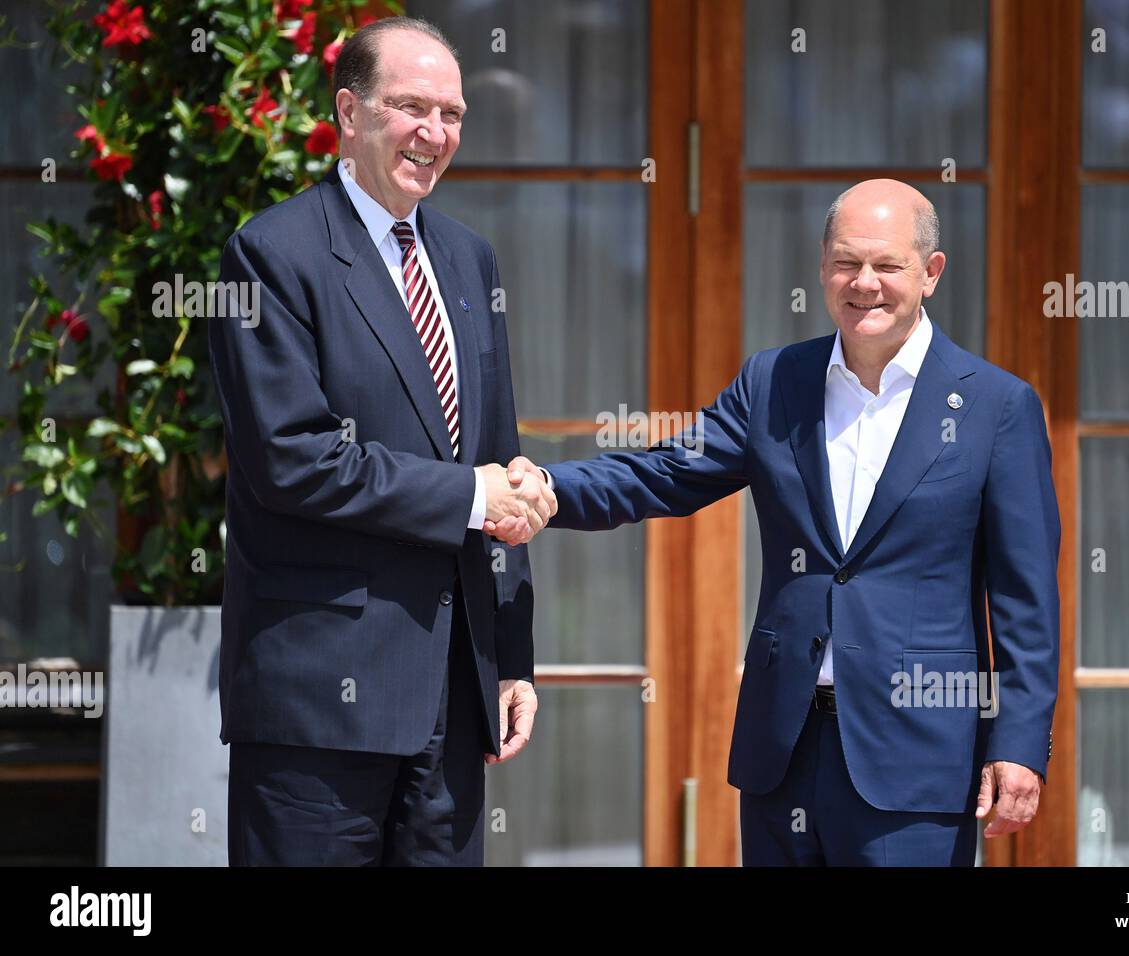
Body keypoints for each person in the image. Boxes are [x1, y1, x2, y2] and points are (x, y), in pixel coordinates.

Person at [492, 180, 1061, 866]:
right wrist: (550, 486)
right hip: (783, 751)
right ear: (822, 267)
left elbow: (1026, 601)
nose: (864, 284)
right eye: (847, 263)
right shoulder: (775, 383)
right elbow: (667, 470)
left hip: (917, 763)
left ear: (931, 273)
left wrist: (1020, 747)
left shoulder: (997, 407)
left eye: (888, 266)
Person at [208, 17, 555, 866]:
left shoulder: (471, 260)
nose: (435, 134)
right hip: (319, 708)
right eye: (411, 108)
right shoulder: (269, 254)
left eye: (453, 113)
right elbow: (293, 457)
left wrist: (511, 658)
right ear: (349, 112)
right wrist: (474, 495)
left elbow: (498, 457)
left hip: (452, 702)